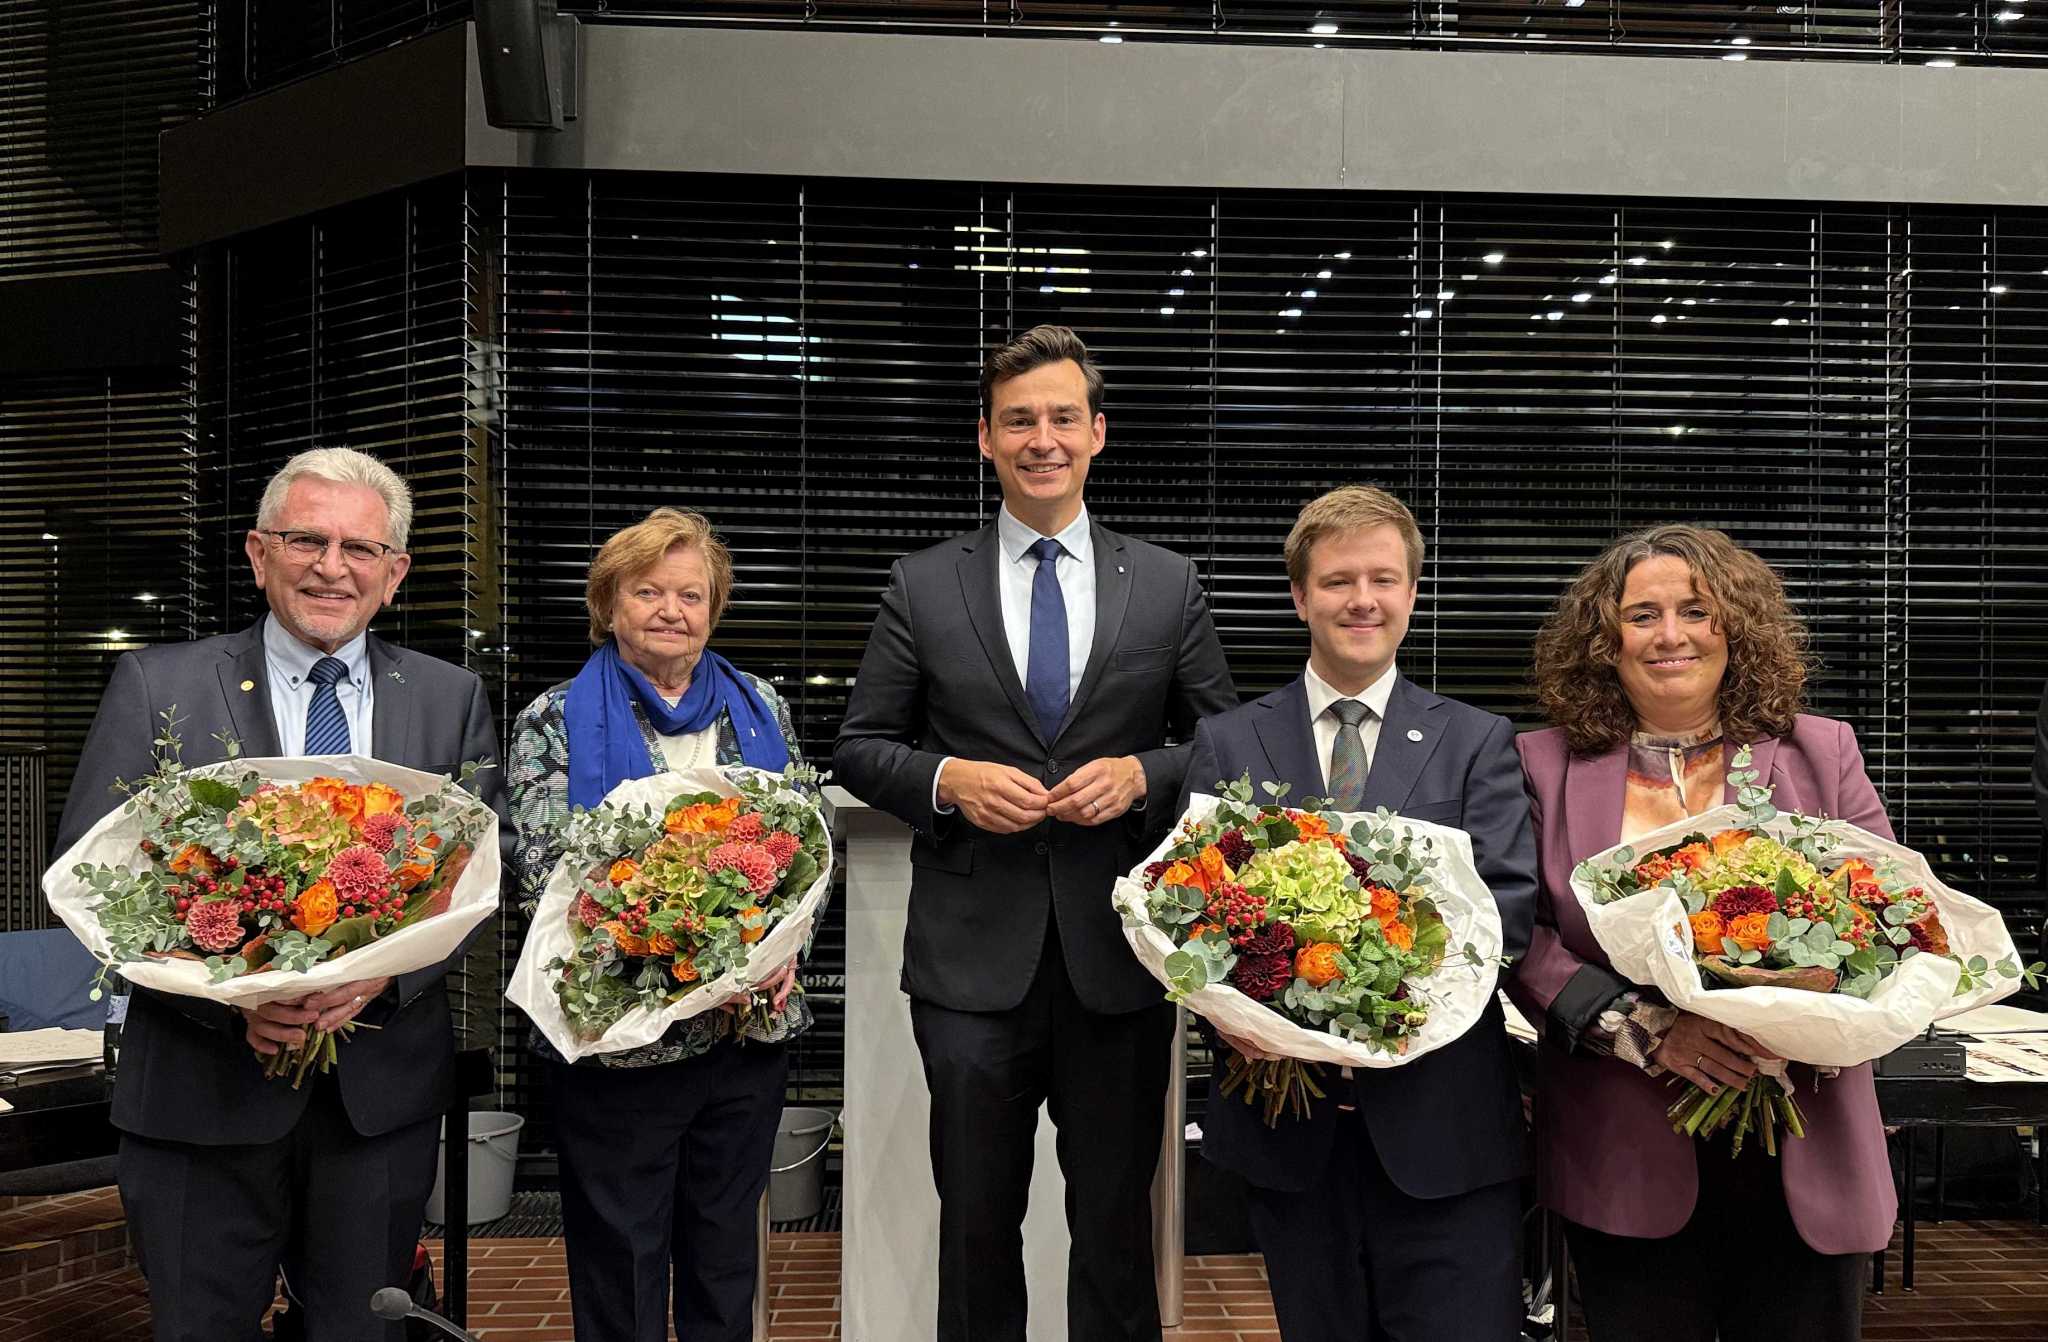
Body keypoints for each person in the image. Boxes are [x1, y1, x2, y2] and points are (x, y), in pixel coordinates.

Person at [832, 325, 1237, 1342]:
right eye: (1018, 420)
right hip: (968, 968)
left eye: (1062, 417)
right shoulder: (923, 585)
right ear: (985, 438)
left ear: (1096, 434)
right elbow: (859, 745)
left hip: (1119, 961)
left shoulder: (1166, 582)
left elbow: (1220, 746)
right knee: (974, 1226)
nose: (1041, 438)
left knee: (1111, 1229)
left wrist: (1146, 772)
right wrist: (945, 778)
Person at [55, 447, 509, 1342]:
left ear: (394, 573)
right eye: (306, 539)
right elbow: (91, 877)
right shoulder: (159, 685)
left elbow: (478, 880)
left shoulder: (450, 697)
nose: (331, 567)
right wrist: (238, 1002)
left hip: (375, 1104)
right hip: (197, 1094)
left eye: (359, 549)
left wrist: (380, 978)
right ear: (260, 554)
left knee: (360, 1330)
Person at [1508, 523, 1896, 1342]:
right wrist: (1649, 1031)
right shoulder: (1539, 765)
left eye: (1696, 610)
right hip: (1627, 1142)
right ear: (1604, 638)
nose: (1671, 634)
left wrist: (1797, 1014)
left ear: (1738, 627)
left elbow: (1889, 915)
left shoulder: (1823, 752)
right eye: (1643, 614)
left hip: (1806, 1129)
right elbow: (1525, 939)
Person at [1179, 485, 1536, 1341]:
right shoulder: (1229, 740)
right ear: (1300, 596)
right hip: (1288, 1130)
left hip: (1443, 1133)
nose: (1363, 600)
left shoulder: (1477, 740)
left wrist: (1369, 1001)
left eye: (1384, 578)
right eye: (1338, 581)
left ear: (1413, 593)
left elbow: (1507, 911)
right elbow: (1190, 906)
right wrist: (1234, 1004)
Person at [507, 506, 805, 1342]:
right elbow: (548, 870)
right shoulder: (555, 715)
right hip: (617, 1036)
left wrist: (780, 950)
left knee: (723, 1260)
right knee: (620, 1257)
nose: (673, 610)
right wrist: (671, 950)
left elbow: (802, 848)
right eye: (649, 591)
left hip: (746, 1033)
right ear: (608, 603)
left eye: (692, 594)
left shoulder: (762, 707)